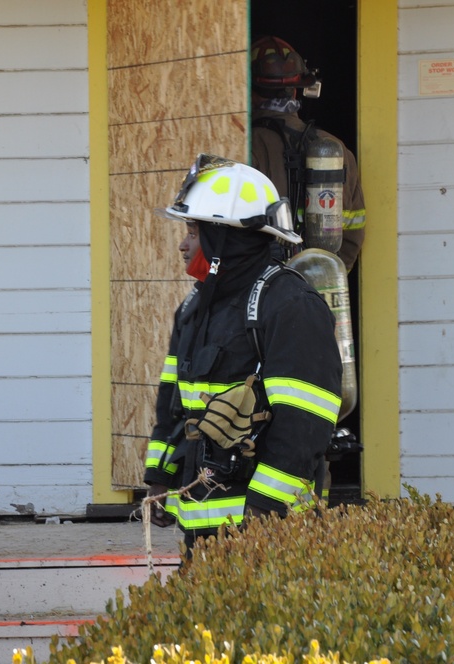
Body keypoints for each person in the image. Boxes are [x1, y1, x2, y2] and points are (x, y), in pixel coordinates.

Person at [142, 155, 342, 547]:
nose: (183, 245)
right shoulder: (195, 308)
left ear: (225, 238)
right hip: (201, 530)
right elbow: (174, 407)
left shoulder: (288, 303)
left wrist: (266, 512)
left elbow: (305, 422)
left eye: (194, 233)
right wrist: (158, 481)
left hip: (271, 534)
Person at [250, 35, 366, 272]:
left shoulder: (243, 148)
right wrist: (323, 281)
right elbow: (353, 231)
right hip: (320, 291)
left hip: (264, 290)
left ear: (249, 90)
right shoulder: (335, 148)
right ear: (296, 91)